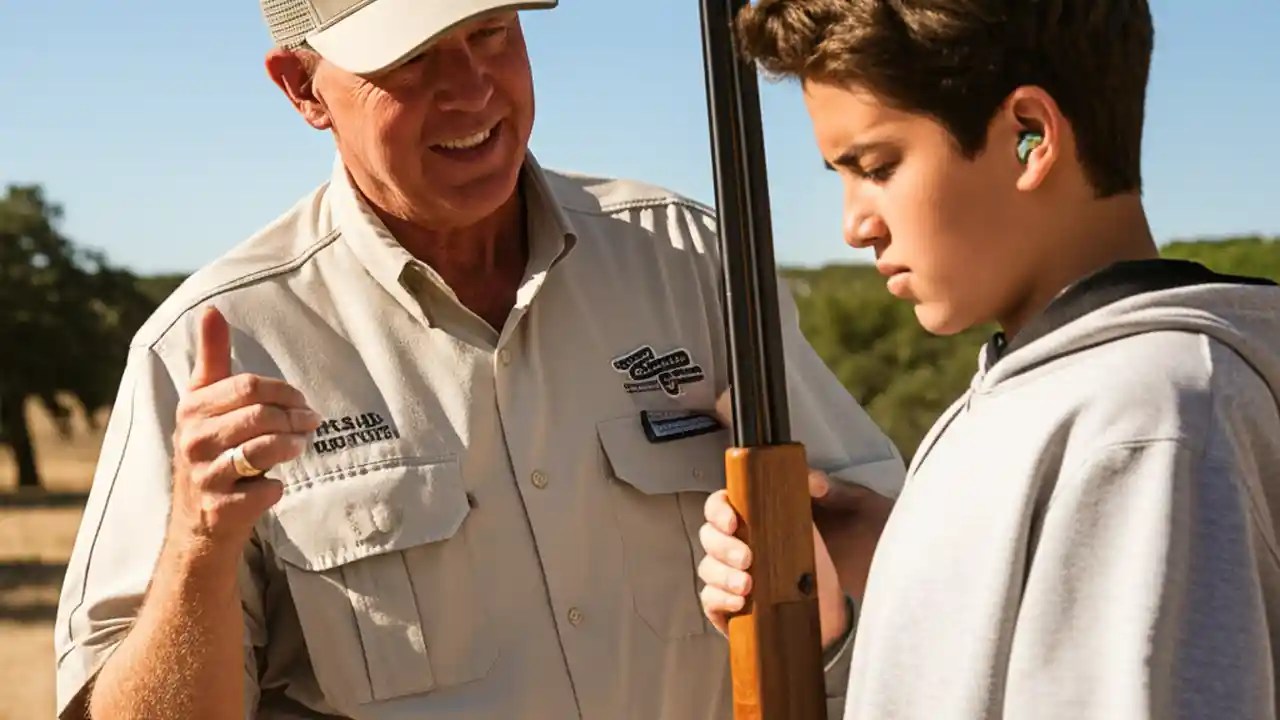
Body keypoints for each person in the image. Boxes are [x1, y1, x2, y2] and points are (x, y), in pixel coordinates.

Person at [52, 1, 905, 718]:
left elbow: (896, 560)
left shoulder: (689, 258)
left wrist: (819, 554)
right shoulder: (211, 346)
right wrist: (198, 544)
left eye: (490, 32)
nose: (469, 89)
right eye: (411, 59)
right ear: (302, 88)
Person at [697, 0, 1280, 718]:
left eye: (878, 167)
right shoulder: (1049, 387)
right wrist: (898, 565)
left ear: (1030, 136)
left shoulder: (1145, 422)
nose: (854, 225)